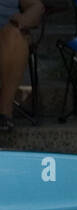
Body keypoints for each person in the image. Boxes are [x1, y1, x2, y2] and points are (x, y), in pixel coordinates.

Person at [1, 0, 44, 132]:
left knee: (16, 35)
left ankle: (3, 112)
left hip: (6, 37)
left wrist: (25, 20)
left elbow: (36, 6)